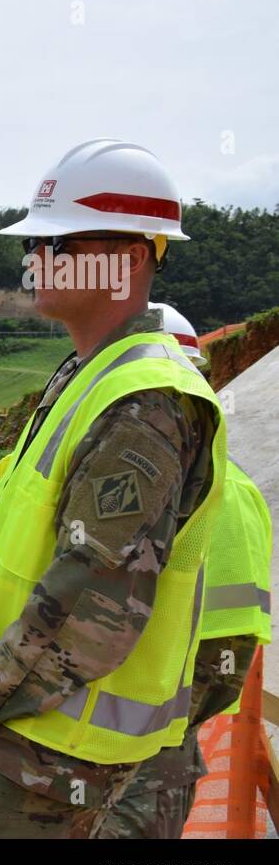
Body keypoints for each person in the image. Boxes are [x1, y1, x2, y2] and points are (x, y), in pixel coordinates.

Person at [0, 139, 227, 837]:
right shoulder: (86, 378)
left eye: (59, 243)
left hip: (51, 750)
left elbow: (88, 612)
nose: (35, 261)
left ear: (132, 259)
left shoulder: (145, 402)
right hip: (28, 737)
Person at [96, 303, 272, 837]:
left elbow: (224, 653)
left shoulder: (217, 491)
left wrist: (138, 733)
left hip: (137, 764)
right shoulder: (181, 481)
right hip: (115, 752)